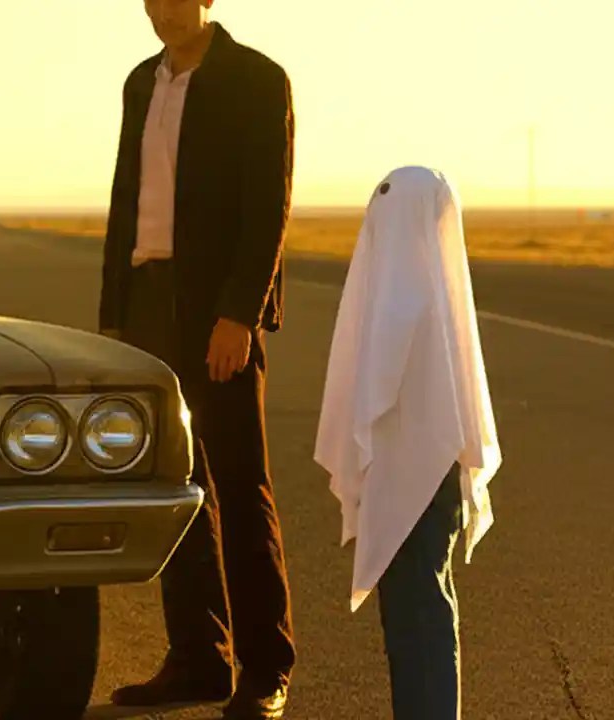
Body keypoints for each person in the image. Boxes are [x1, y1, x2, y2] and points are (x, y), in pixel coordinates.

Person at [97, 1, 295, 718]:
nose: (164, 10)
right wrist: (113, 316)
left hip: (216, 314)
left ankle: (266, 667)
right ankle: (197, 659)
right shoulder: (139, 83)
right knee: (173, 491)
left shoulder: (256, 80)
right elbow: (126, 199)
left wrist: (240, 314)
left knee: (241, 489)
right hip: (149, 302)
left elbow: (267, 205)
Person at [313, 166, 503, 719]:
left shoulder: (395, 301)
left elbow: (370, 390)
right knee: (418, 608)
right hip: (423, 475)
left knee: (418, 609)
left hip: (417, 479)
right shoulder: (435, 298)